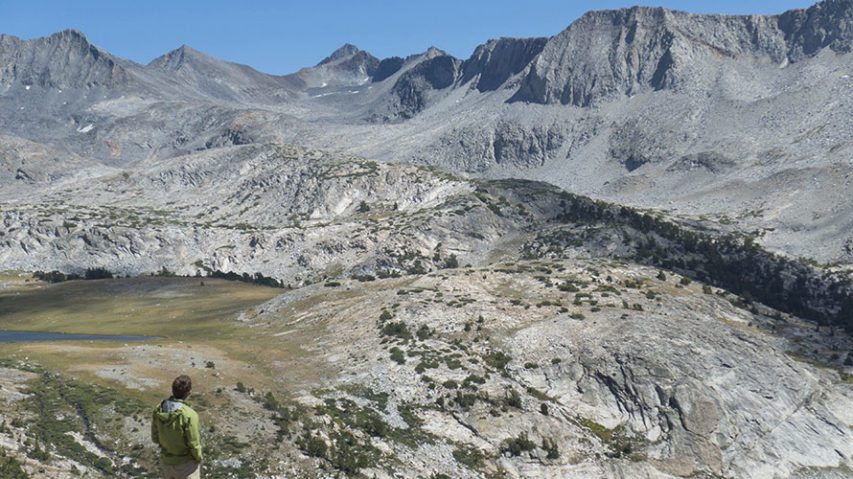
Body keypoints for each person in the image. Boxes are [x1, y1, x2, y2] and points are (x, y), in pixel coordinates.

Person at [152, 375, 203, 479]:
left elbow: (155, 437)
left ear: (173, 390)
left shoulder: (159, 409)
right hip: (186, 465)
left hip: (166, 462)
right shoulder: (190, 415)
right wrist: (198, 457)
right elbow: (194, 443)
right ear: (189, 392)